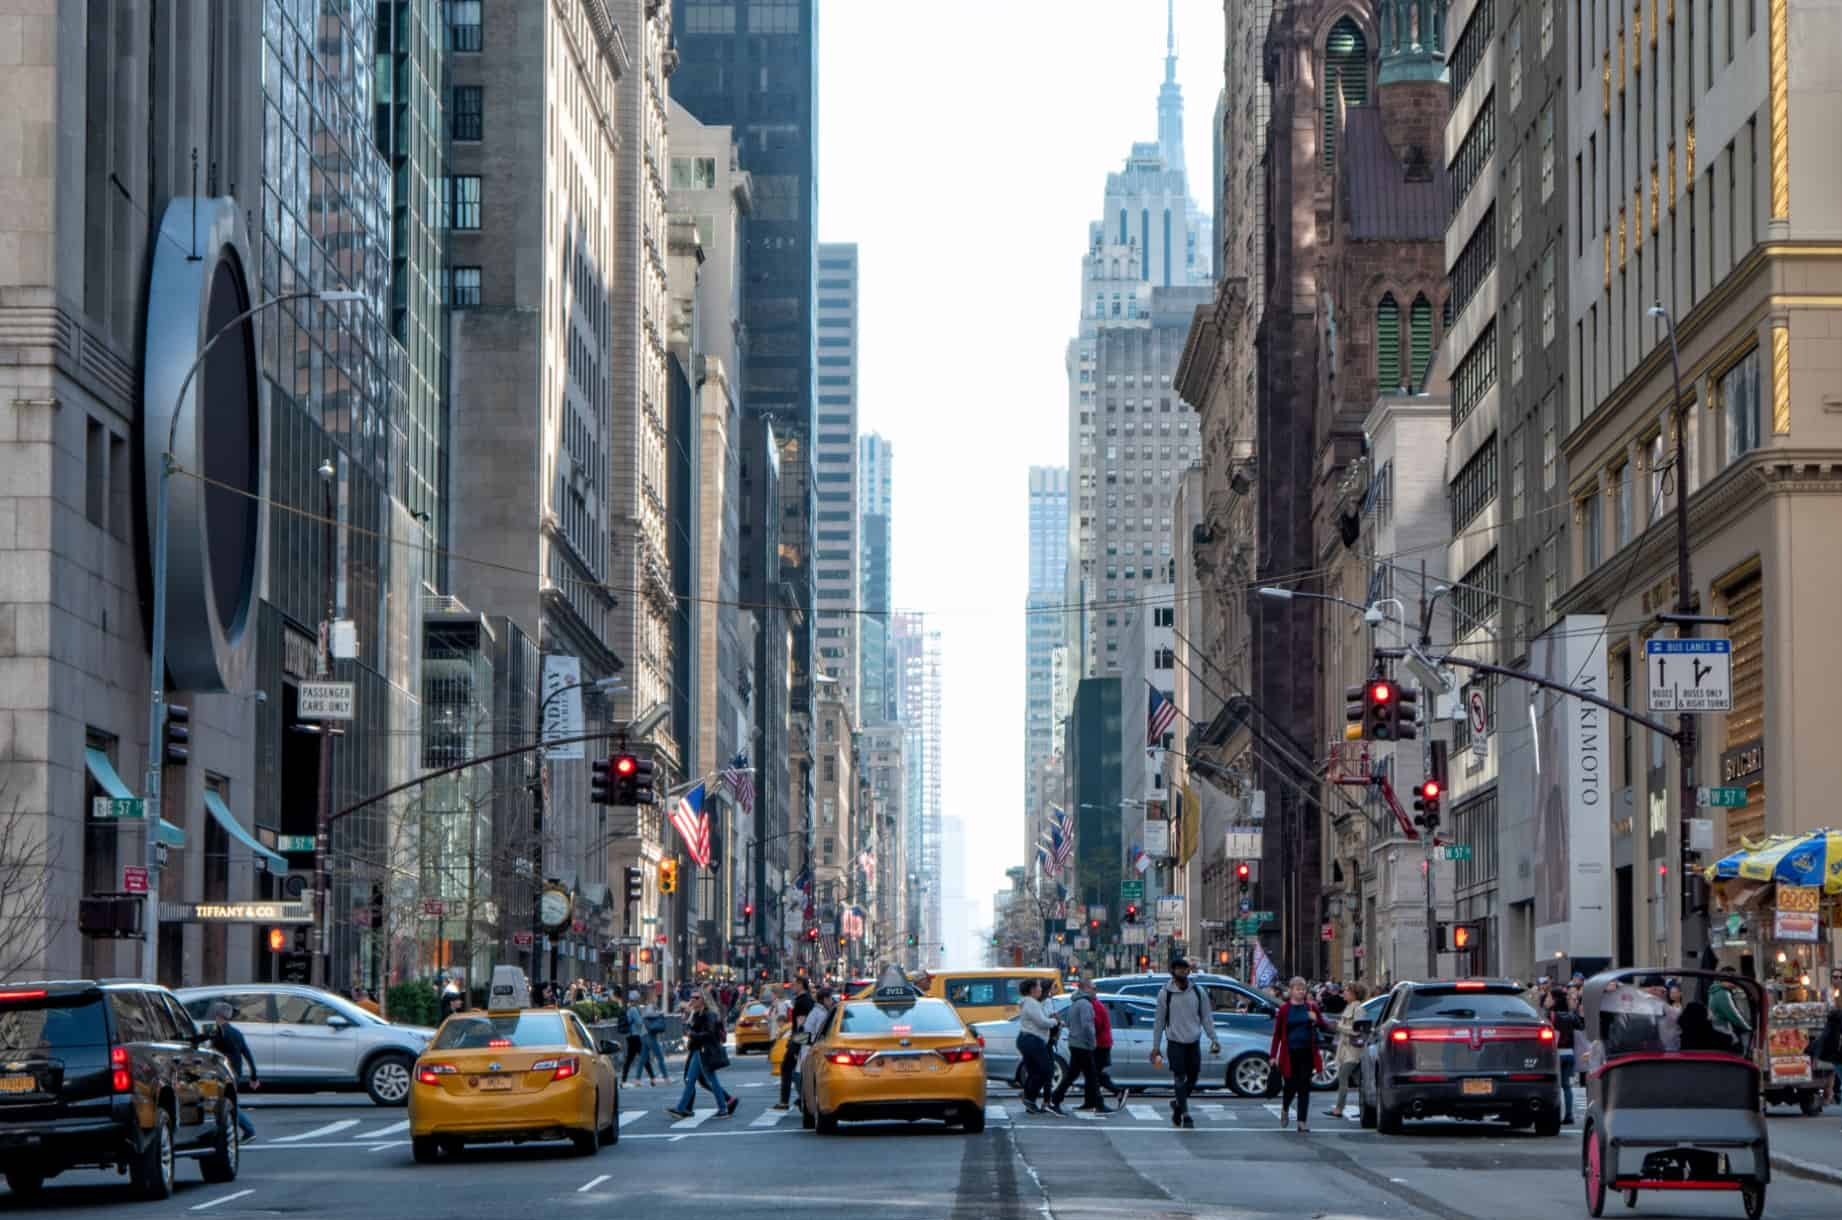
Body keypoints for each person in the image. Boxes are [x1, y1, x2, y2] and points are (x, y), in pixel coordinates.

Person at [1150, 957, 1218, 1128]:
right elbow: (1158, 1022)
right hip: (1175, 1041)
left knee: (1193, 1078)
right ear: (1173, 972)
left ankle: (1178, 1104)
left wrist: (1213, 1038)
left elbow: (1206, 1017)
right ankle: (1186, 1115)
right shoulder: (1166, 993)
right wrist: (1156, 1047)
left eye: (1185, 969)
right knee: (1179, 1078)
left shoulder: (1198, 991)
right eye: (1179, 969)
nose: (1183, 971)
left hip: (1193, 1041)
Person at [1269, 976, 1333, 1133]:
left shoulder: (1311, 1007)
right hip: (1289, 1053)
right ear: (1290, 991)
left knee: (1304, 1086)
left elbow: (1323, 1026)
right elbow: (1277, 1034)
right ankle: (1285, 1108)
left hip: (1307, 1051)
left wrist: (1316, 1020)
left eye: (1303, 989)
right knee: (1290, 1085)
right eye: (1298, 989)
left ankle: (1302, 1121)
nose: (1301, 992)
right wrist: (1273, 1055)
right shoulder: (1284, 1010)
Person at [666, 991, 737, 1120]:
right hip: (698, 1049)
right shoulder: (696, 1013)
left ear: (703, 1000)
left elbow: (710, 1033)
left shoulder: (708, 1014)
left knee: (711, 1079)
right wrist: (689, 1015)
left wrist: (694, 1034)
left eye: (696, 997)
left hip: (705, 1050)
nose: (693, 999)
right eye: (692, 997)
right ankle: (681, 1109)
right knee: (691, 1079)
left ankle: (722, 1109)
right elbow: (689, 1028)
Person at [1051, 978, 1110, 1114]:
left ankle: (1056, 1099)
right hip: (1083, 1044)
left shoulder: (1075, 1003)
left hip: (1075, 1043)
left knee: (1074, 1074)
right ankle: (1098, 1104)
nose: (1096, 991)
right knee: (1092, 1076)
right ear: (1086, 988)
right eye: (1094, 988)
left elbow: (1070, 1023)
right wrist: (1092, 1042)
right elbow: (1087, 1026)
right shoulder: (1085, 1004)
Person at [207, 1002, 259, 1143]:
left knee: (228, 1103)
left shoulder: (217, 1033)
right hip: (236, 1072)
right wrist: (254, 1076)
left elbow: (211, 1053)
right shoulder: (237, 1033)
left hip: (223, 1072)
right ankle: (244, 1130)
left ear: (218, 1016)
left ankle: (248, 1130)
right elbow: (247, 1054)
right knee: (229, 1102)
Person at [1016, 978, 1062, 1115]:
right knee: (1045, 1069)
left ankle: (1029, 1099)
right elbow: (1042, 1022)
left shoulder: (1031, 1003)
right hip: (1032, 1040)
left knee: (1035, 1071)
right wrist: (1055, 1021)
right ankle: (1029, 1097)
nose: (1041, 989)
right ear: (1032, 990)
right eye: (1038, 987)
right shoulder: (1031, 1003)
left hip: (1029, 1040)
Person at [1327, 981, 1368, 1119]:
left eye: (1347, 991)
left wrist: (1339, 1027)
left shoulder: (1358, 1009)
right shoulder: (1350, 1007)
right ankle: (1366, 1108)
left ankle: (1339, 1109)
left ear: (1354, 994)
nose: (1343, 993)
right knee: (1359, 1081)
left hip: (1353, 1050)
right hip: (1346, 1049)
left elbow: (1358, 1031)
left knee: (1343, 1077)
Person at [775, 978, 816, 1111]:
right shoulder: (807, 999)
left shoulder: (802, 1001)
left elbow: (802, 1024)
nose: (792, 987)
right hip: (804, 1038)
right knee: (796, 1070)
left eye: (794, 985)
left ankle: (787, 1100)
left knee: (788, 1068)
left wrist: (795, 1042)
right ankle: (800, 1098)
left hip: (801, 1038)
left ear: (800, 985)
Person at [1546, 984, 1583, 1125]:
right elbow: (1580, 1027)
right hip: (1570, 1054)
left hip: (1555, 1054)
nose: (1547, 1000)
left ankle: (1553, 1113)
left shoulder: (1550, 1015)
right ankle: (1569, 1115)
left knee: (1554, 1086)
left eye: (1549, 997)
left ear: (1554, 1000)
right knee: (1567, 1086)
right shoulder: (1571, 1015)